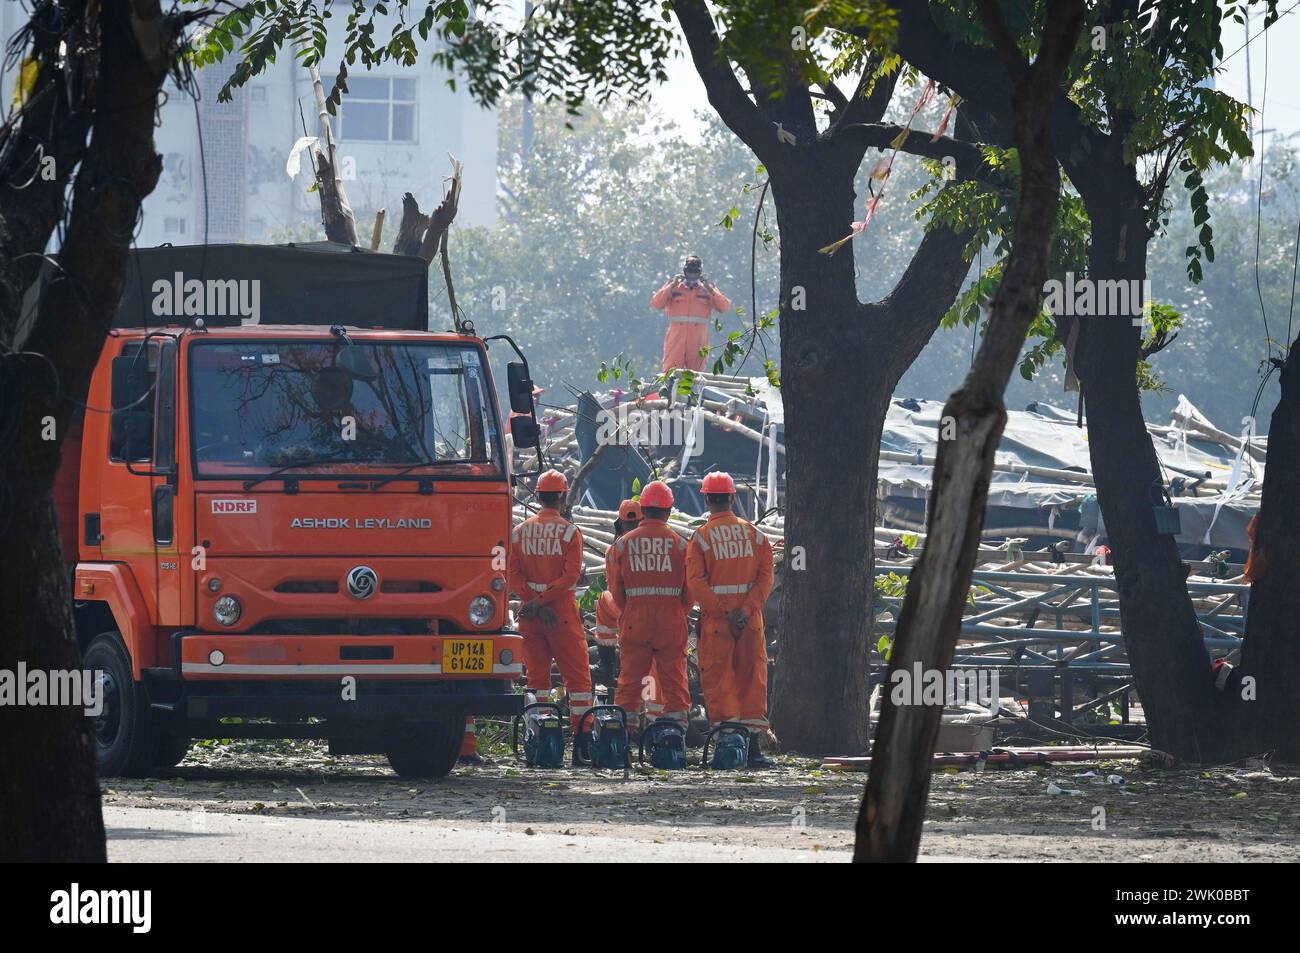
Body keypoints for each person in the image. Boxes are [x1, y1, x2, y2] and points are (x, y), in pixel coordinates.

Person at [685, 471, 776, 767]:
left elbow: (696, 583)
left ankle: (728, 746)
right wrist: (746, 611)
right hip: (750, 623)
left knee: (719, 679)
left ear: (708, 499)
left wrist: (724, 611)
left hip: (717, 624)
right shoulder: (756, 536)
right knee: (752, 680)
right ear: (732, 498)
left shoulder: (701, 538)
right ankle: (752, 751)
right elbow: (765, 580)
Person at [507, 469, 596, 759]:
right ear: (561, 495)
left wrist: (534, 602)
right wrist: (545, 602)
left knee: (537, 681)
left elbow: (512, 575)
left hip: (530, 616)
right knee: (579, 682)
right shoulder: (570, 532)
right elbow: (570, 577)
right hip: (562, 615)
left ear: (538, 494)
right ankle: (583, 745)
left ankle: (542, 742)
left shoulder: (519, 532)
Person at [606, 482, 693, 742]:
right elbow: (690, 591)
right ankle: (674, 741)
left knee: (630, 682)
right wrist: (678, 613)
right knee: (675, 683)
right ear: (668, 511)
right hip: (671, 622)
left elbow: (615, 590)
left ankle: (621, 740)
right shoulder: (681, 546)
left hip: (635, 621)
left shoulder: (621, 546)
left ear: (643, 509)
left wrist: (631, 611)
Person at [594, 499, 666, 722]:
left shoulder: (617, 549)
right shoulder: (667, 543)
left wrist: (628, 615)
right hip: (663, 614)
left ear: (620, 524)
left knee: (604, 602)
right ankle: (655, 721)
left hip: (631, 613)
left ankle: (606, 660)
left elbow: (614, 588)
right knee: (655, 667)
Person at [651, 255, 732, 373]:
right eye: (689, 272)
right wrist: (671, 287)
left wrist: (710, 290)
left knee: (695, 375)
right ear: (685, 271)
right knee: (670, 372)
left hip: (699, 339)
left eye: (695, 273)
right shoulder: (674, 286)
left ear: (700, 273)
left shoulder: (708, 288)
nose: (692, 276)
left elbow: (725, 307)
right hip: (676, 337)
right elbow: (656, 303)